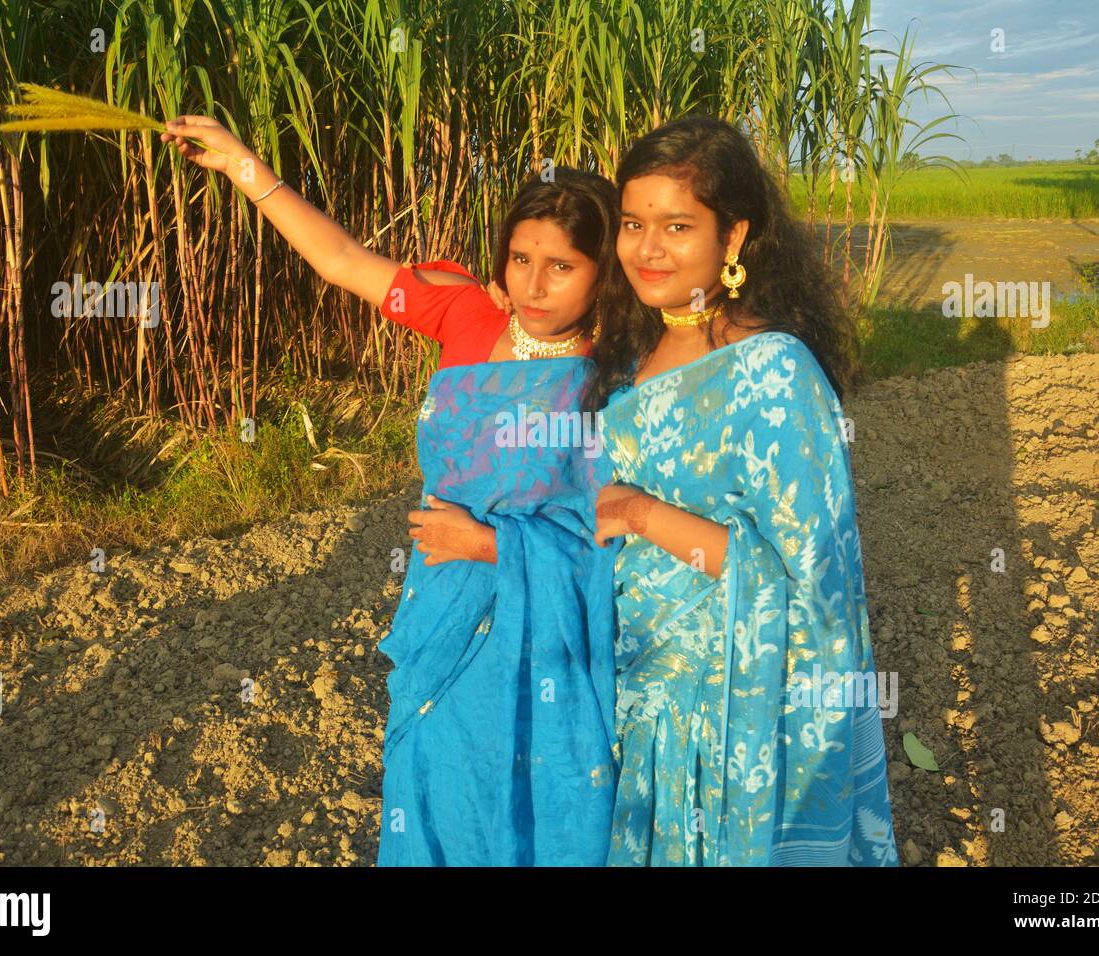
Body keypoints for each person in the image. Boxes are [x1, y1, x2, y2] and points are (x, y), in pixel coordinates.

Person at [161, 117, 628, 865]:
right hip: (445, 609)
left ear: (604, 271)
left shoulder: (619, 377)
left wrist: (486, 543)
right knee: (439, 781)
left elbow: (615, 531)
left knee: (540, 796)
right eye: (519, 258)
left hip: (547, 635)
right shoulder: (467, 314)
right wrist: (242, 166)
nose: (532, 285)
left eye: (562, 267)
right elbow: (343, 260)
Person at [586, 115, 899, 866]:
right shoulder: (632, 350)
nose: (647, 248)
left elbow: (810, 588)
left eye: (677, 225)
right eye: (633, 223)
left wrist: (639, 513)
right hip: (631, 694)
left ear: (731, 239)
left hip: (728, 712)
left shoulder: (774, 374)